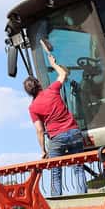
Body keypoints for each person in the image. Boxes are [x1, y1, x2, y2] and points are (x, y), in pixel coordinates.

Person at [25, 42, 88, 197]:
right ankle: (83, 198)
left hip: (56, 138)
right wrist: (54, 64)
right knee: (78, 167)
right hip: (73, 132)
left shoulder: (33, 108)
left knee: (55, 171)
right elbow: (63, 75)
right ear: (39, 84)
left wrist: (43, 151)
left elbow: (40, 130)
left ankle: (58, 203)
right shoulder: (52, 90)